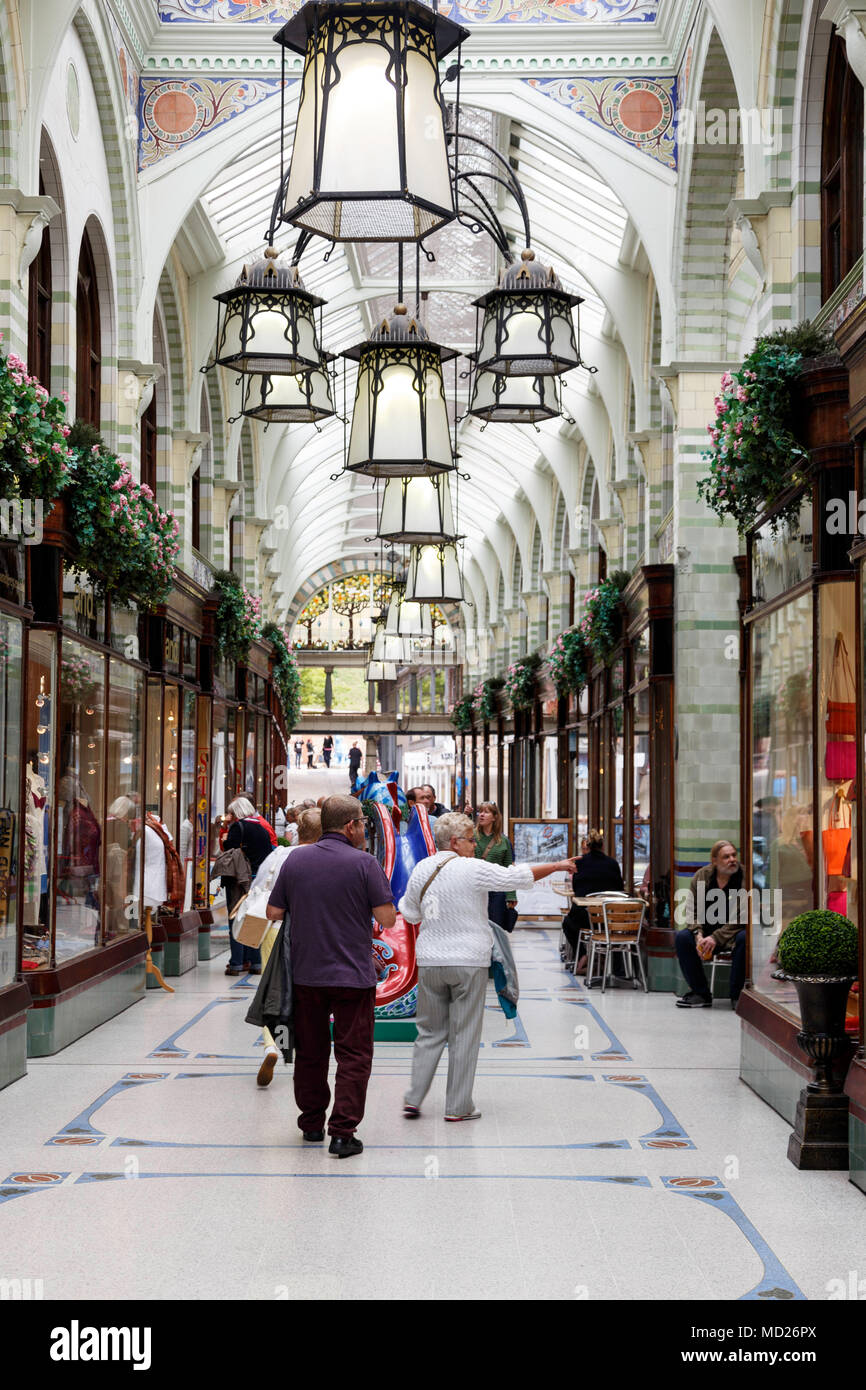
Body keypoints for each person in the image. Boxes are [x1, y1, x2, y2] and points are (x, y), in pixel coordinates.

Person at [399, 812, 576, 1122]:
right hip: (468, 962)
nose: (475, 846)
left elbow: (411, 914)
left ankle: (414, 1098)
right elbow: (517, 877)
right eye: (470, 840)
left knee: (429, 1032)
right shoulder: (473, 869)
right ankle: (458, 1106)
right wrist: (557, 866)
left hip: (430, 963)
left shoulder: (422, 868)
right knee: (464, 1034)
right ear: (454, 842)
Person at [265, 794, 396, 1158]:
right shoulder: (364, 863)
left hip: (307, 974)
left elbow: (274, 911)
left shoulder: (296, 859)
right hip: (354, 976)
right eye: (363, 825)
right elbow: (386, 919)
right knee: (354, 1053)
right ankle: (343, 1132)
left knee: (311, 1050)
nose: (365, 831)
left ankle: (311, 1124)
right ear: (351, 825)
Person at [254, 807, 322, 1087]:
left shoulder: (279, 855)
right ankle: (306, 1050)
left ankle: (274, 1046)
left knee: (274, 991)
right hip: (310, 935)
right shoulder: (321, 860)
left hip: (273, 930)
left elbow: (258, 887)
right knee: (308, 994)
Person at [674, 840, 746, 1009]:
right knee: (683, 938)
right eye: (726, 857)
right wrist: (698, 935)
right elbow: (691, 910)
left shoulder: (745, 876)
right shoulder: (702, 876)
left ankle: (737, 996)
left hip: (732, 934)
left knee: (745, 938)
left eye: (734, 855)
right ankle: (701, 993)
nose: (732, 860)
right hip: (706, 932)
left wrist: (716, 937)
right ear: (714, 861)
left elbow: (742, 916)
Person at [223, 797, 276, 977]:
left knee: (236, 917)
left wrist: (224, 837)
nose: (229, 816)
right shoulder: (261, 827)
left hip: (240, 880)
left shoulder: (239, 827)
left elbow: (229, 850)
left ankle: (236, 962)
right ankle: (255, 961)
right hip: (256, 878)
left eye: (231, 812)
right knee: (254, 918)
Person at [562, 831, 625, 972]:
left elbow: (576, 889)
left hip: (584, 917)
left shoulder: (579, 863)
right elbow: (620, 889)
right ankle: (604, 960)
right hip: (608, 919)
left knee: (568, 923)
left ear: (588, 847)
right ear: (603, 846)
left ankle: (582, 956)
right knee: (602, 929)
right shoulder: (613, 864)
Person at [474, 802, 518, 932]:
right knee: (477, 927)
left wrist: (511, 895)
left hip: (497, 890)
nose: (481, 815)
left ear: (494, 817)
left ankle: (494, 952)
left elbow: (509, 867)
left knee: (495, 927)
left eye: (486, 812)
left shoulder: (503, 841)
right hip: (477, 888)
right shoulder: (472, 837)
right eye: (480, 812)